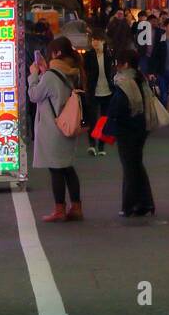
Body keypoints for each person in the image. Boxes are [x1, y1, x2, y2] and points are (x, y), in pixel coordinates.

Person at [26, 37, 85, 222]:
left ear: (57, 53)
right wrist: (45, 72)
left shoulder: (51, 76)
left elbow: (34, 95)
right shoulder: (71, 72)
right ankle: (76, 206)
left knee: (56, 169)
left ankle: (59, 209)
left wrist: (34, 75)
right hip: (67, 125)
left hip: (53, 129)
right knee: (67, 168)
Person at [107, 47, 157, 217]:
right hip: (141, 128)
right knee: (136, 165)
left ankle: (131, 204)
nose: (116, 66)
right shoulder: (140, 79)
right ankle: (145, 203)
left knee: (130, 167)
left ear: (125, 64)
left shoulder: (125, 83)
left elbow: (118, 107)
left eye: (118, 63)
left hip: (127, 130)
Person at [82, 26, 117, 157]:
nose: (95, 42)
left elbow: (114, 72)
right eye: (93, 40)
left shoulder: (109, 55)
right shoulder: (88, 56)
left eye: (97, 40)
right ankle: (92, 145)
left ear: (103, 41)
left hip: (108, 92)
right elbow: (85, 73)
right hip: (93, 91)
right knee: (92, 119)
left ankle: (101, 146)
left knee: (104, 120)